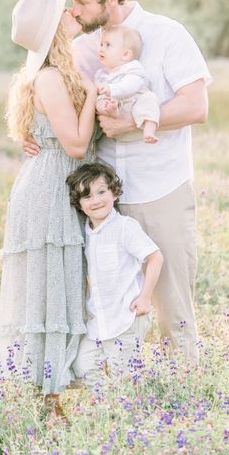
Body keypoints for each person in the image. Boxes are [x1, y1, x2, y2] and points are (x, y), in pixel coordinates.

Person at [25, 0, 212, 364]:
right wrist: (32, 135)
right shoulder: (83, 48)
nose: (75, 11)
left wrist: (132, 121)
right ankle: (123, 388)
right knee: (105, 298)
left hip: (158, 186)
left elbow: (196, 106)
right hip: (102, 194)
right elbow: (54, 96)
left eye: (83, 3)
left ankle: (186, 388)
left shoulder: (168, 34)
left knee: (170, 298)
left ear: (111, 0)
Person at [0, 0, 97, 418]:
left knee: (59, 283)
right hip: (50, 188)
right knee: (47, 288)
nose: (74, 13)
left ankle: (50, 395)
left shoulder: (57, 71)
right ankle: (46, 400)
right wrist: (93, 96)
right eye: (66, 11)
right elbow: (75, 145)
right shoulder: (51, 79)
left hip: (56, 181)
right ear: (56, 27)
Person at [66, 162, 163, 387]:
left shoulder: (124, 227)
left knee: (125, 375)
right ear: (79, 204)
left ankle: (128, 413)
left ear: (114, 192)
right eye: (87, 196)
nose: (96, 200)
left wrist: (145, 297)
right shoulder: (84, 233)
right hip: (99, 319)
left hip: (127, 316)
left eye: (102, 192)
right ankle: (106, 408)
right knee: (84, 366)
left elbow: (155, 257)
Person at [95, 24, 160, 143]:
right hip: (117, 105)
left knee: (149, 99)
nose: (101, 49)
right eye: (101, 44)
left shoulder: (133, 68)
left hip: (134, 102)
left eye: (108, 45)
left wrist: (111, 88)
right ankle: (112, 111)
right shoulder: (101, 74)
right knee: (99, 101)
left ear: (125, 54)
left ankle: (149, 129)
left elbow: (130, 86)